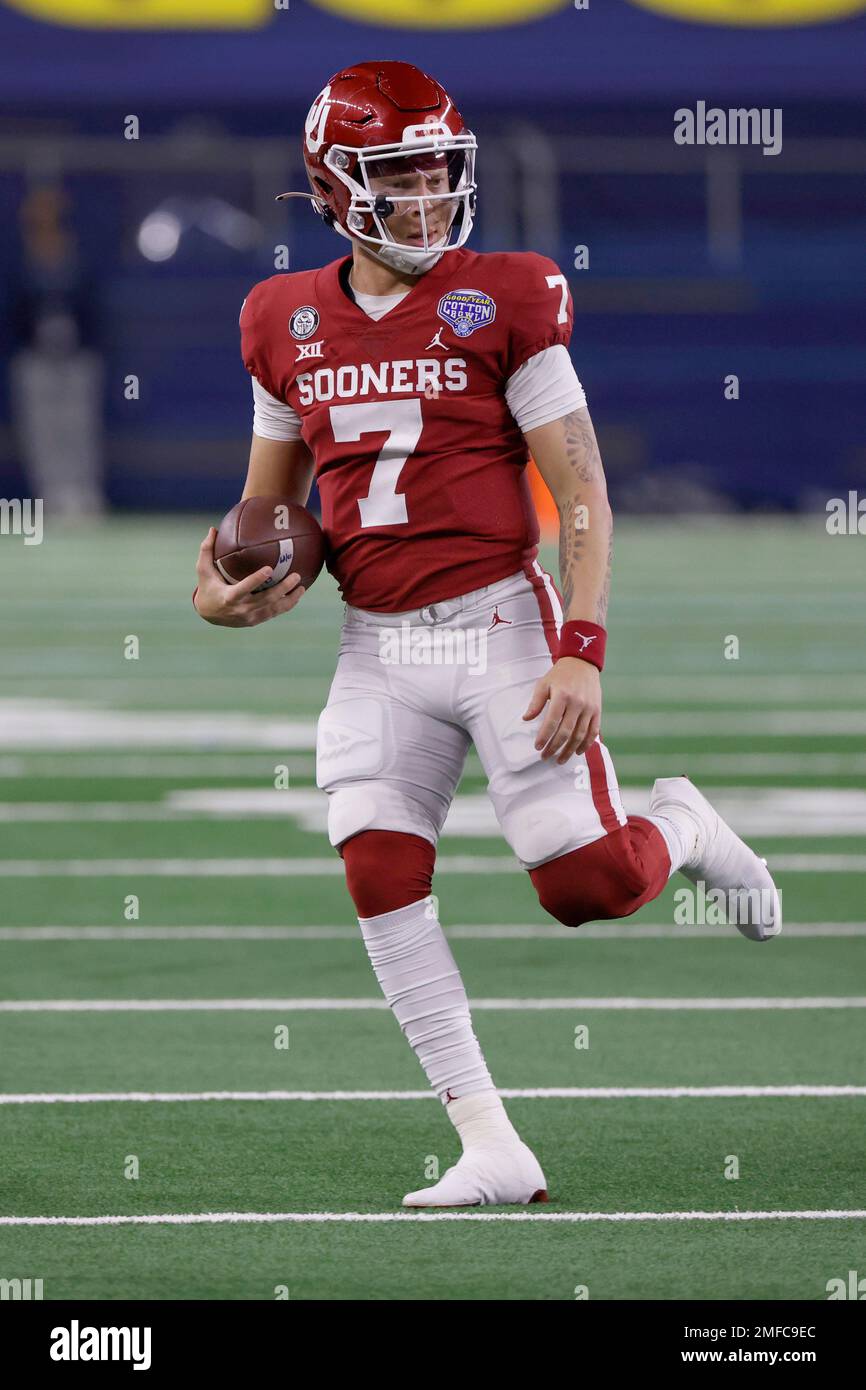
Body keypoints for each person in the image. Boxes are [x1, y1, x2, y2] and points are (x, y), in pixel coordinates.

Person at [193, 61, 781, 1208]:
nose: (424, 197)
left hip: (503, 620)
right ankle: (488, 1141)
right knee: (374, 857)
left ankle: (681, 822)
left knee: (585, 885)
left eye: (434, 171)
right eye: (395, 177)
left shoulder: (505, 295)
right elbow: (262, 517)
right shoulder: (280, 317)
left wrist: (584, 645)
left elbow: (585, 489)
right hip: (375, 640)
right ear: (332, 192)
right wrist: (219, 593)